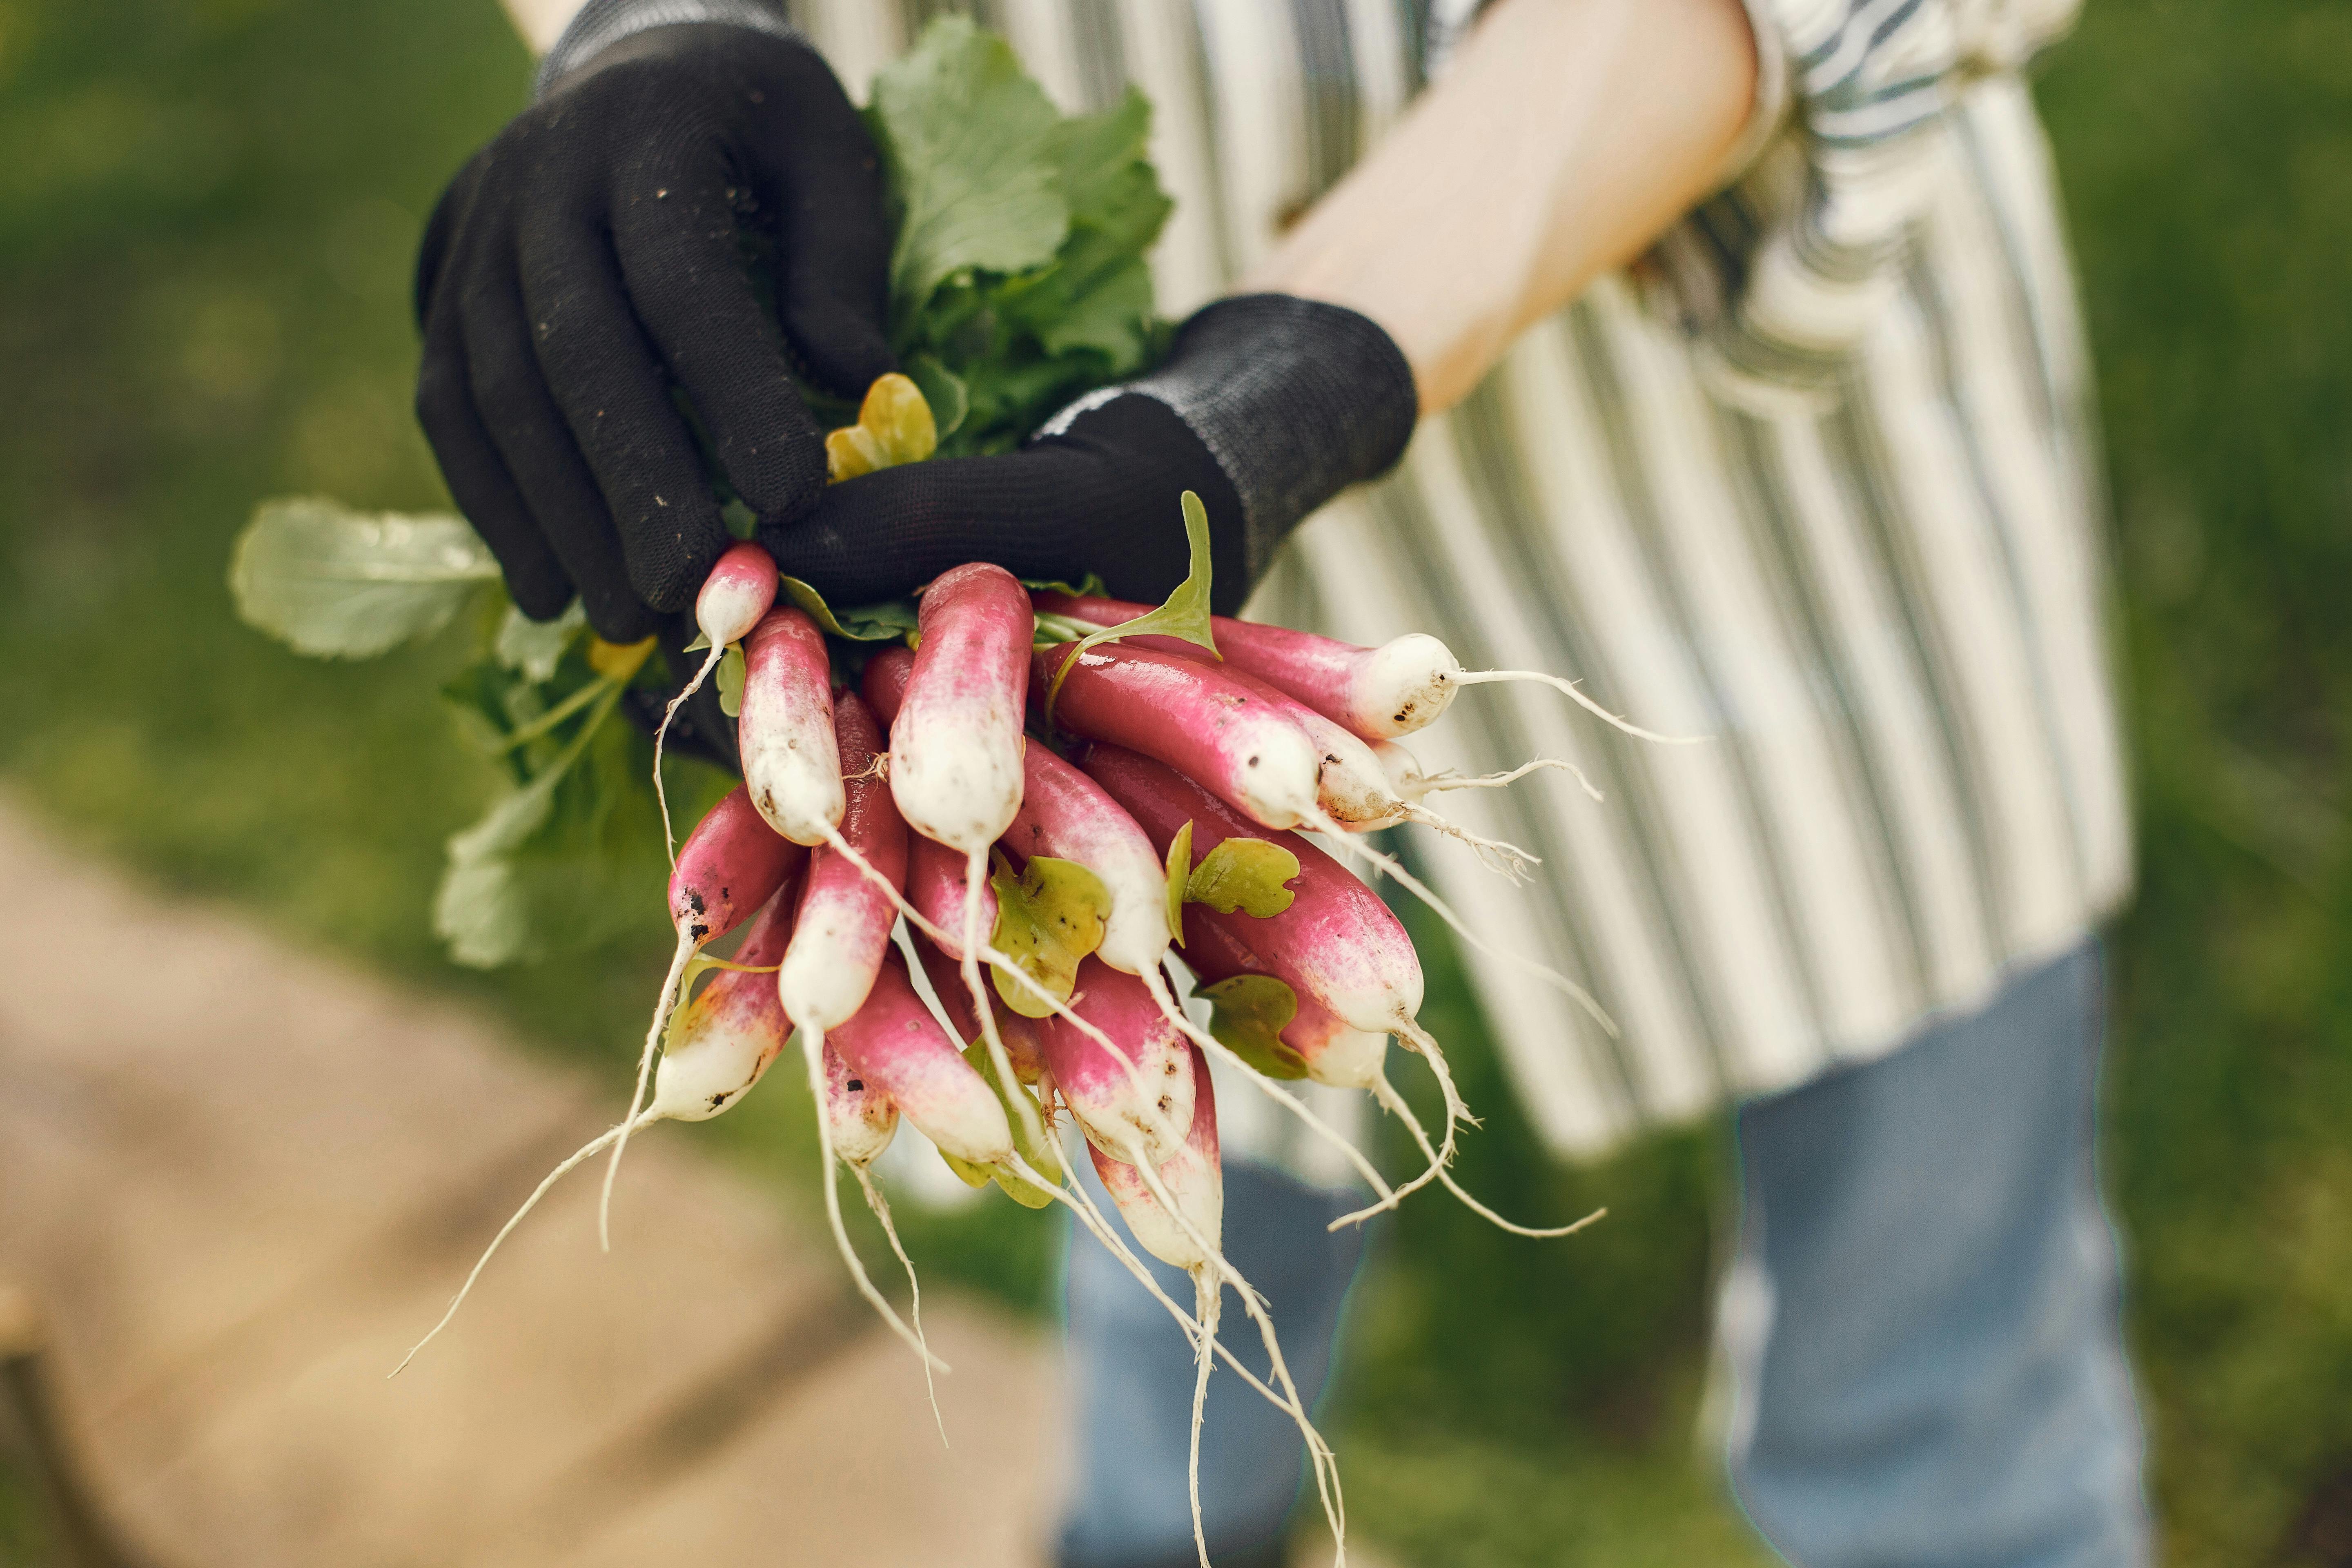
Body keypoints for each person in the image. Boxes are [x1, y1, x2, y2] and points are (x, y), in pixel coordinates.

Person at [415, 0, 2149, 1563]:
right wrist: (644, 41)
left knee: (1939, 1398)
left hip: (1727, 403)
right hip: (996, 447)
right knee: (1151, 1165)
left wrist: (1316, 363)